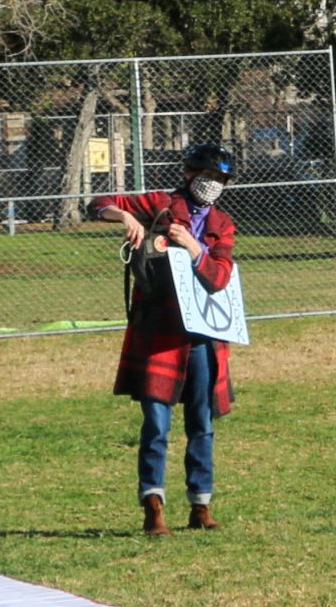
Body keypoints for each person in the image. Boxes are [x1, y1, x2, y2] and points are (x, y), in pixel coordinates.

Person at [90, 142, 238, 536]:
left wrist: (193, 247)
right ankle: (152, 505)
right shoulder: (161, 204)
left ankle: (200, 505)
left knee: (201, 423)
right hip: (159, 332)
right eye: (208, 177)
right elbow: (99, 201)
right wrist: (123, 215)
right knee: (157, 423)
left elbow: (220, 278)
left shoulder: (222, 224)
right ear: (189, 174)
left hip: (205, 336)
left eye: (221, 180)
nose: (213, 186)